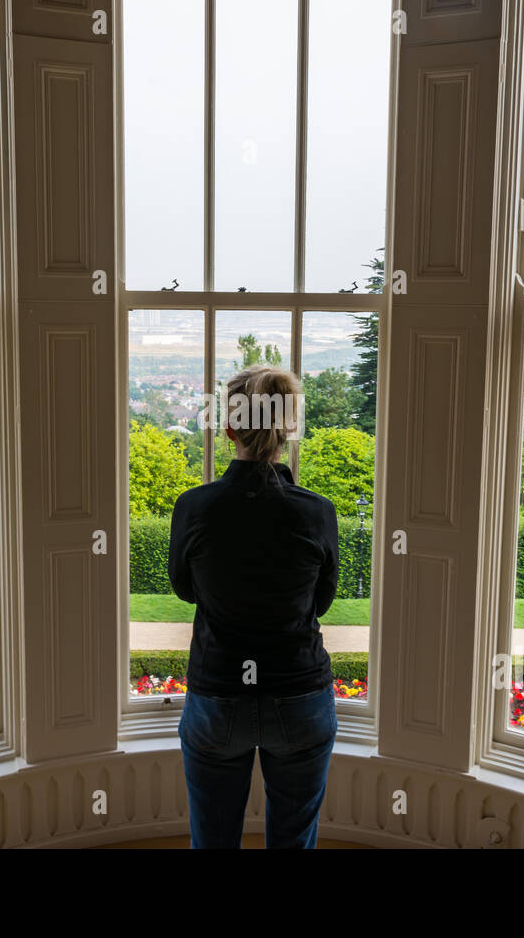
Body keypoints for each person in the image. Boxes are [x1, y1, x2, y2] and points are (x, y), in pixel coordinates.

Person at [168, 363, 339, 849]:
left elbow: (185, 589)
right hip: (300, 694)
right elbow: (320, 601)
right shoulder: (315, 510)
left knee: (213, 839)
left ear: (228, 429)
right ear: (288, 429)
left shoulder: (195, 506)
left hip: (219, 693)